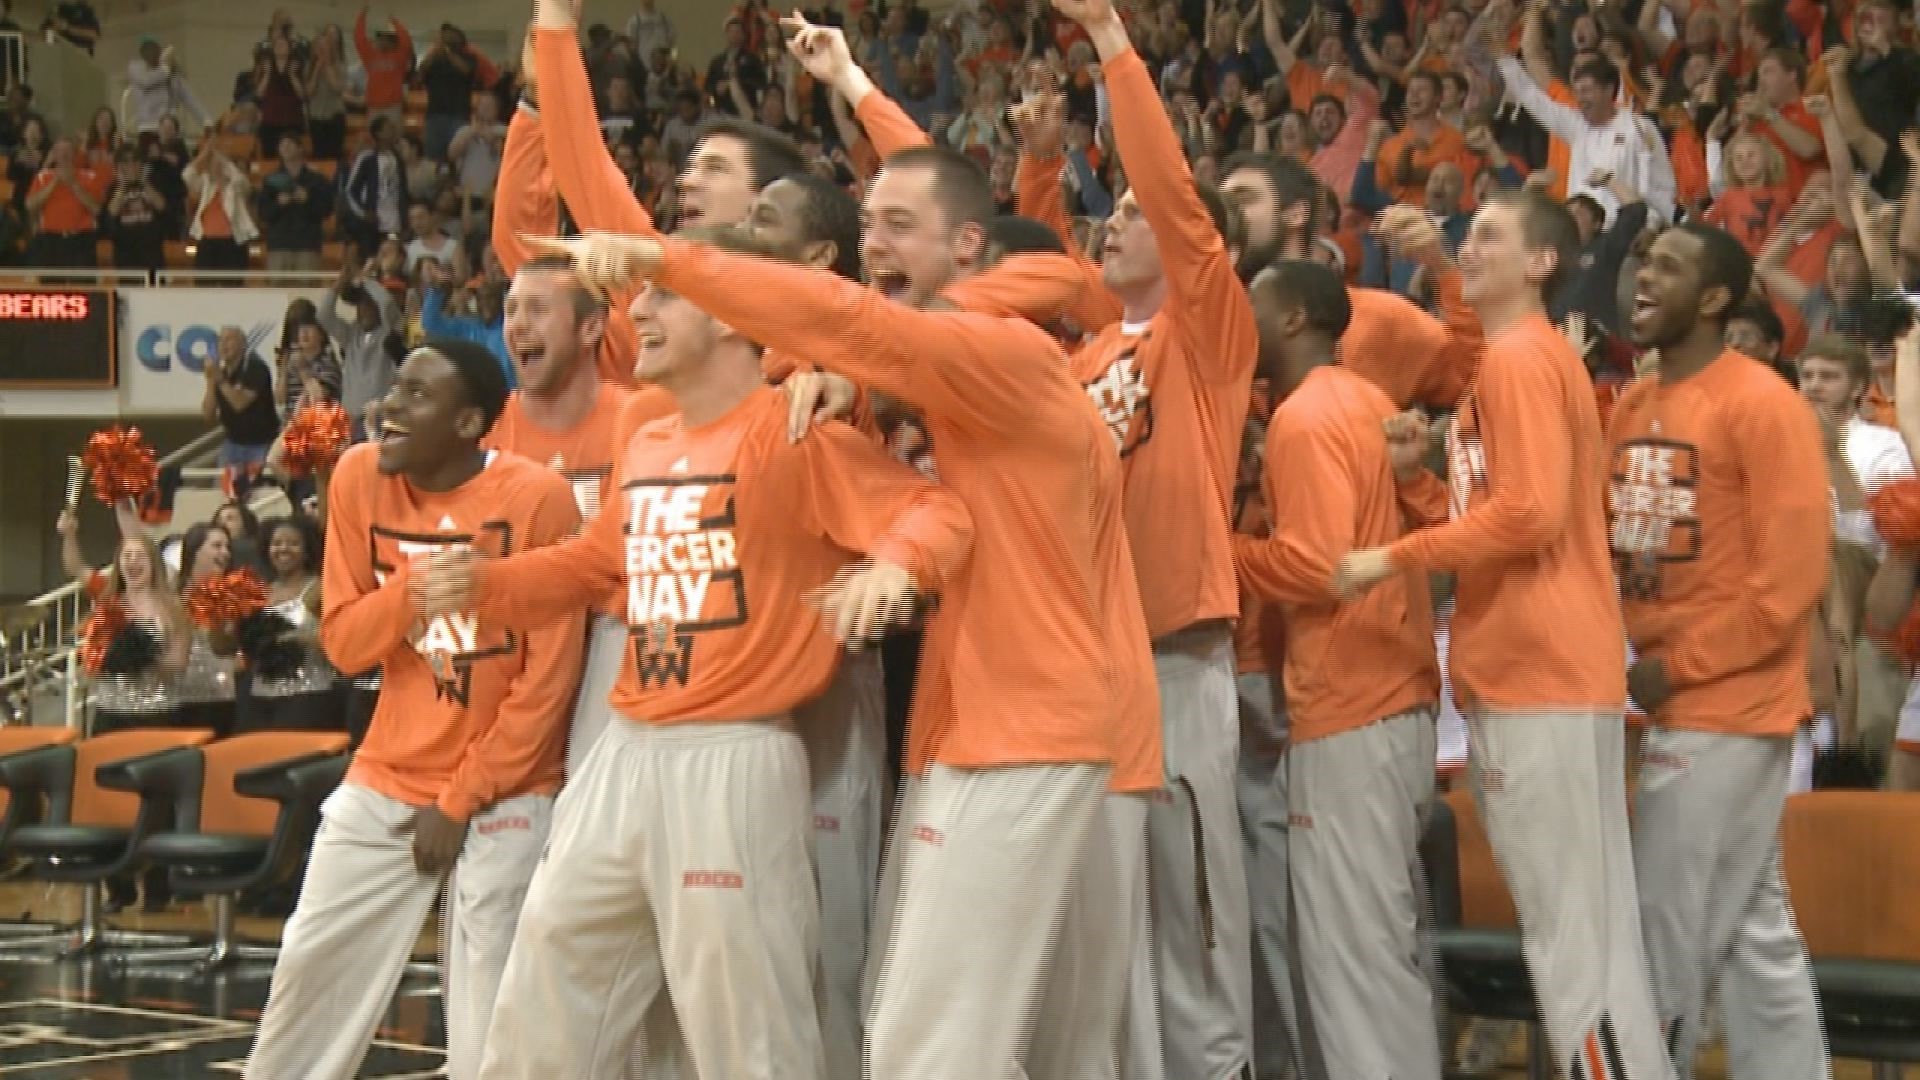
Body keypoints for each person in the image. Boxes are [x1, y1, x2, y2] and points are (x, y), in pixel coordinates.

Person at [418, 226, 974, 1080]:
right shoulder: (645, 437)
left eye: (661, 293)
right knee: (542, 1001)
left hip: (733, 757)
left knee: (748, 1035)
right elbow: (601, 562)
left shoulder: (794, 433)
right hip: (624, 752)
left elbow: (936, 512)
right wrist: (486, 583)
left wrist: (897, 567)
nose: (635, 308)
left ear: (729, 315)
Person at [1338, 190, 1675, 1080]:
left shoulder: (1524, 361)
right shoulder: (1517, 361)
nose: (1468, 246)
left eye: (1490, 235)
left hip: (1542, 672)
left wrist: (1389, 558)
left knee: (1572, 945)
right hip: (1548, 670)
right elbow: (1509, 479)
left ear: (1542, 263)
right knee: (1589, 938)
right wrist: (1440, 438)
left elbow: (1527, 512)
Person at [242, 338, 586, 1080]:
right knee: (310, 962)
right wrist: (411, 592)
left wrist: (460, 799)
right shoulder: (358, 477)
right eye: (393, 389)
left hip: (508, 782)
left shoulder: (537, 499)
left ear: (468, 425)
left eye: (416, 396)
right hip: (389, 771)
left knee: (489, 1008)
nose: (388, 408)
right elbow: (344, 644)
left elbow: (546, 684)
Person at [1610, 221, 1831, 1080]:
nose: (1643, 273)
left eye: (1669, 264)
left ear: (1714, 298)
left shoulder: (1763, 401)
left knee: (1662, 932)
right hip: (1679, 698)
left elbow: (1788, 582)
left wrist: (1678, 665)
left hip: (1727, 703)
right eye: (1644, 260)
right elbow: (1608, 545)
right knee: (1752, 934)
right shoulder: (1633, 402)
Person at [1236, 258, 1445, 1080]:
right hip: (1383, 696)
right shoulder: (1363, 399)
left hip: (1355, 701)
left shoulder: (1308, 414)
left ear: (1293, 320)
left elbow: (1319, 563)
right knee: (1370, 949)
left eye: (1252, 305)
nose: (1237, 320)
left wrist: (1219, 553)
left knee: (1353, 958)